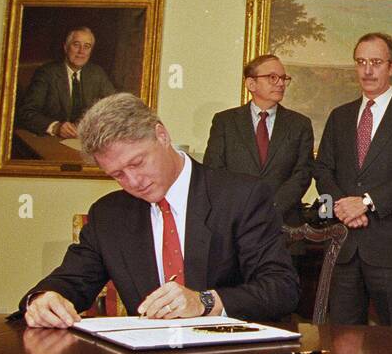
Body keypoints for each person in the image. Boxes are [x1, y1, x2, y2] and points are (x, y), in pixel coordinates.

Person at [18, 93, 300, 327]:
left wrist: (204, 302)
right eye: (117, 174)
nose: (133, 181)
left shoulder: (241, 196)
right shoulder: (110, 214)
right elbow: (71, 280)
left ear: (161, 135)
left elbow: (281, 288)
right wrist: (43, 299)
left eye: (137, 162)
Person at [313, 33, 392, 325]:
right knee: (341, 344)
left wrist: (366, 203)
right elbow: (322, 170)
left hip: (391, 250)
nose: (367, 70)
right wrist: (343, 207)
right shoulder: (339, 116)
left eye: (376, 62)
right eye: (361, 62)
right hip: (343, 248)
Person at [203, 53, 314, 223]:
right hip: (235, 220)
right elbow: (214, 170)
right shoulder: (225, 122)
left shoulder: (299, 124)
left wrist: (272, 208)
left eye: (284, 78)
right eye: (272, 77)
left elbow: (303, 173)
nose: (281, 84)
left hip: (284, 225)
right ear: (251, 83)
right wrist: (244, 207)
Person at [15, 26, 117, 137]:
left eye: (87, 46)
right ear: (66, 47)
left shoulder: (96, 73)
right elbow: (26, 112)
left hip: (84, 139)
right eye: (76, 45)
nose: (81, 51)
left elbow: (116, 106)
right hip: (52, 140)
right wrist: (56, 127)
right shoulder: (47, 73)